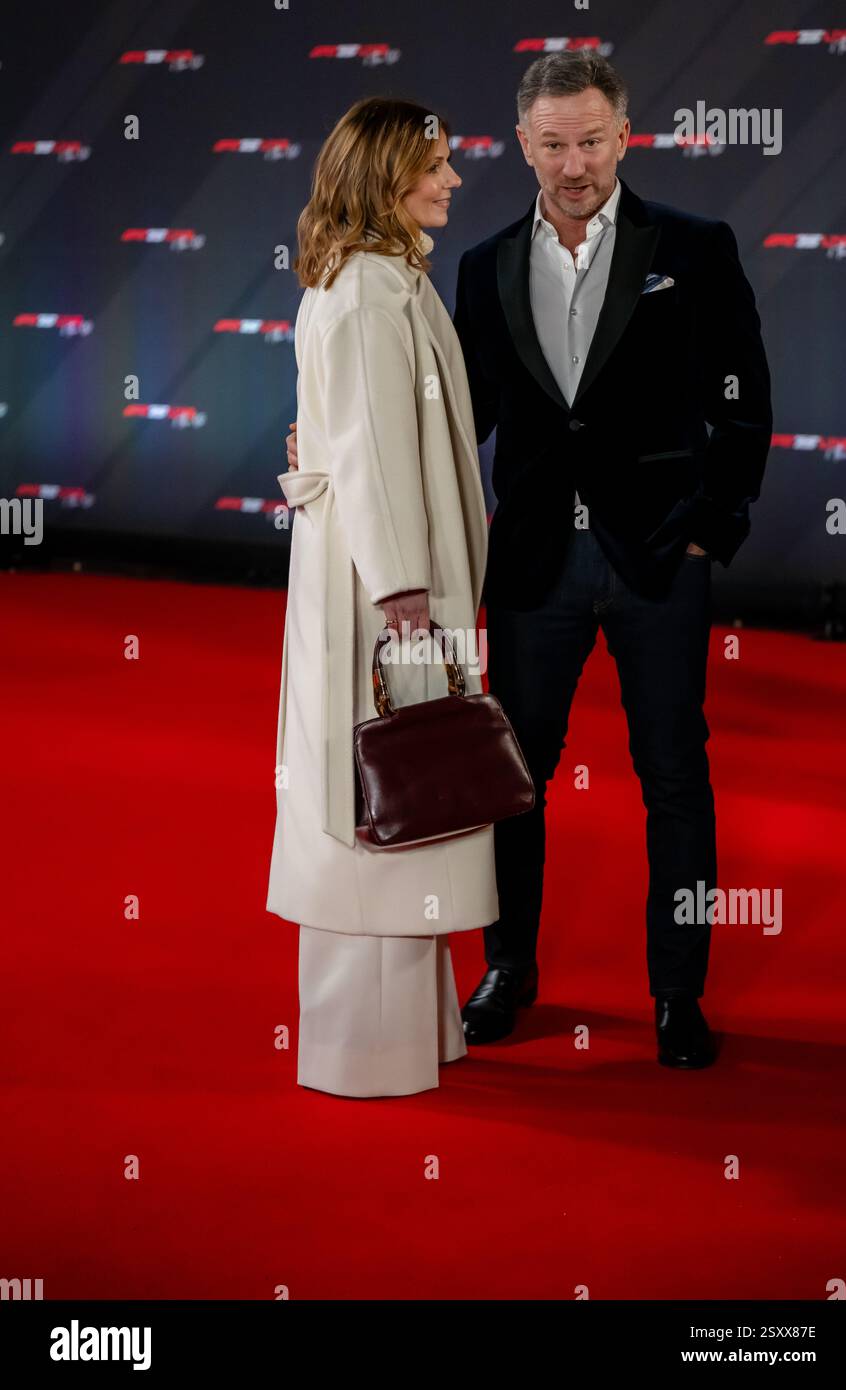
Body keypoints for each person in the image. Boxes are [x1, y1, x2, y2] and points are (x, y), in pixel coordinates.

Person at [452, 51, 772, 1066]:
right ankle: (507, 970)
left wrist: (707, 527)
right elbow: (461, 418)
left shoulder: (694, 246)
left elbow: (741, 399)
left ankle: (678, 992)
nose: (573, 162)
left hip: (656, 559)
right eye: (552, 143)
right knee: (515, 780)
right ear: (521, 145)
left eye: (590, 139)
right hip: (535, 563)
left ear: (624, 135)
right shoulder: (482, 265)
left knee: (673, 777)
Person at [266, 97, 498, 1098]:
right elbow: (364, 455)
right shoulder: (366, 288)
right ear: (384, 176)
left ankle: (416, 1029)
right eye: (432, 167)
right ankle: (367, 1055)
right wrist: (406, 590)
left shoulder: (378, 278)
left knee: (404, 802)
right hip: (382, 594)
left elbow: (336, 434)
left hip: (379, 582)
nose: (451, 182)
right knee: (387, 797)